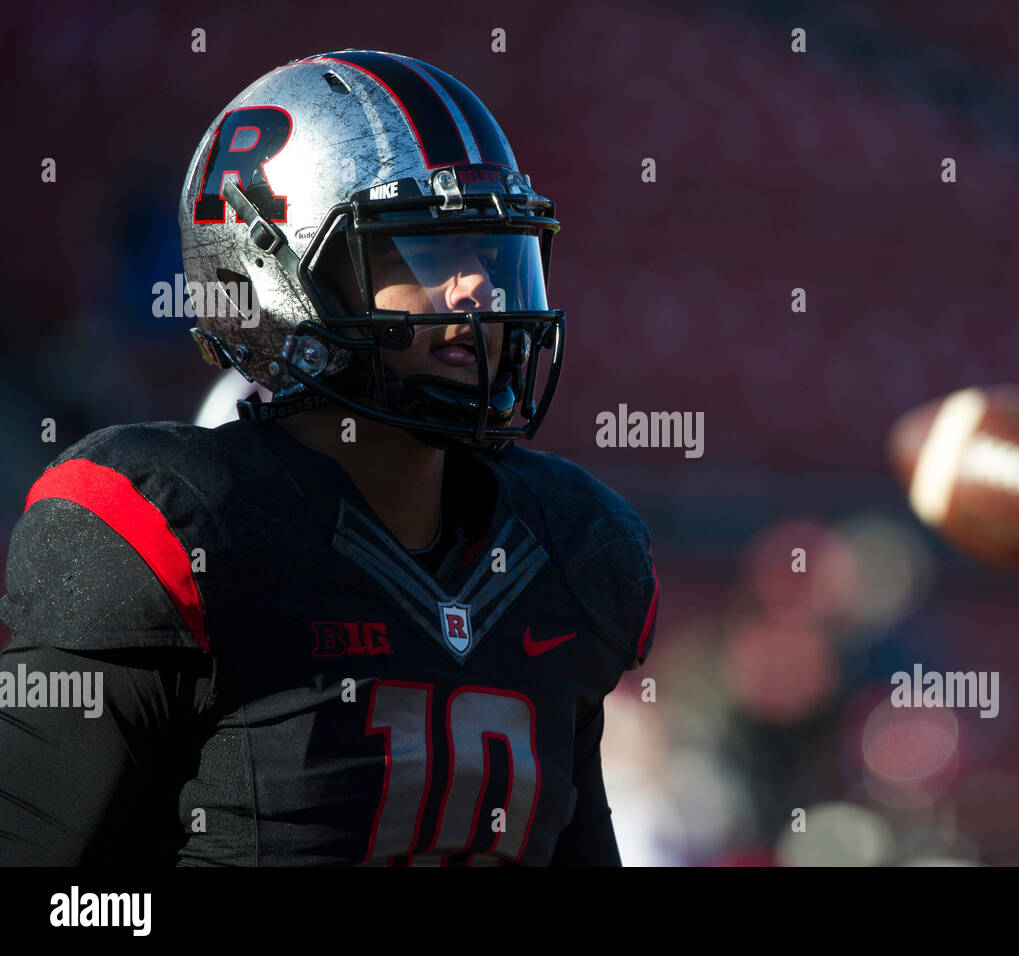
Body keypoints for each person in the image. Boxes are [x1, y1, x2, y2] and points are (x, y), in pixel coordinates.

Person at [0, 49, 658, 866]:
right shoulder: (182, 532)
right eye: (427, 253)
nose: (477, 293)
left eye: (491, 255)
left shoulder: (568, 551)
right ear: (277, 272)